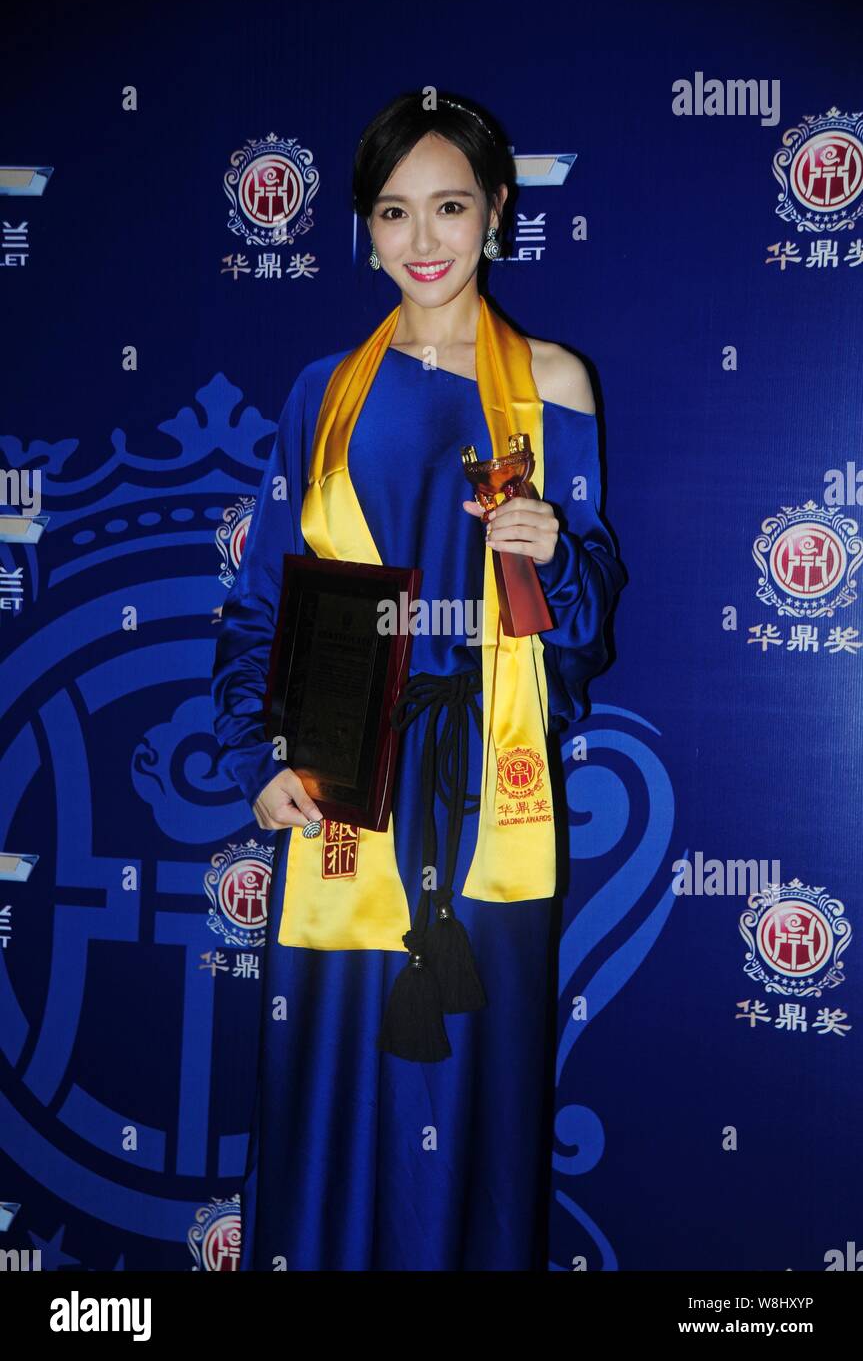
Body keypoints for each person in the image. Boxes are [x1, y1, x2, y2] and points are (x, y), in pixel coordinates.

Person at [211, 88, 626, 1271]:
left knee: (475, 1133)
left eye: (449, 205)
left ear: (496, 212)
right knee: (323, 1114)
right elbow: (259, 607)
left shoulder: (550, 384)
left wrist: (558, 551)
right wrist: (257, 763)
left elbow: (586, 629)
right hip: (342, 792)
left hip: (488, 803)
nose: (424, 239)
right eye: (394, 213)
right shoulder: (319, 396)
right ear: (365, 228)